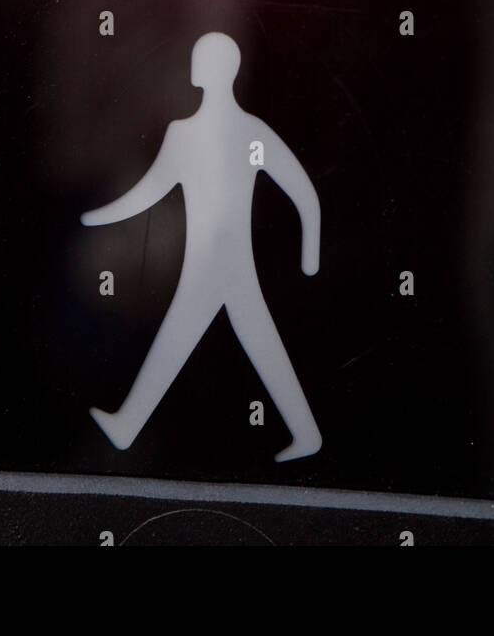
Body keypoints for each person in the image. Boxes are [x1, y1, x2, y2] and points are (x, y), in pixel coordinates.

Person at [81, 32, 321, 461]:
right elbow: (148, 193)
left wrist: (310, 256)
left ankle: (129, 423)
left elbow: (303, 194)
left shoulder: (247, 133)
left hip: (222, 267)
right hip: (210, 268)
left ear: (209, 71)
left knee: (226, 341)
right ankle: (129, 423)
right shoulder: (193, 133)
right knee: (214, 340)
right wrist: (101, 216)